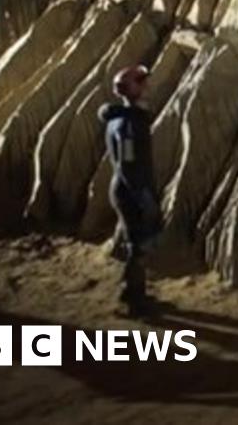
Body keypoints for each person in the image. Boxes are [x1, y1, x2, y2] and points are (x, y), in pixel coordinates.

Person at [98, 64, 162, 317]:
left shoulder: (122, 117)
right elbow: (128, 165)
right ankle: (132, 302)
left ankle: (134, 295)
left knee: (137, 244)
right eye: (142, 81)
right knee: (138, 246)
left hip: (126, 187)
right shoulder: (127, 124)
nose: (147, 84)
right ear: (133, 89)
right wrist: (143, 196)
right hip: (129, 190)